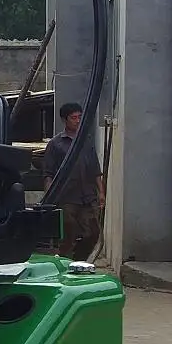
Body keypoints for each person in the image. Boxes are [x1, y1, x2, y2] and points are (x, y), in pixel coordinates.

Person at [42, 102, 104, 259]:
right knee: (68, 234)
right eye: (73, 118)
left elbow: (95, 169)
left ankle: (79, 260)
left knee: (92, 233)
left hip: (88, 196)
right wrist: (50, 196)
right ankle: (65, 263)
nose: (77, 121)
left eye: (79, 117)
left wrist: (101, 192)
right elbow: (48, 173)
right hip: (66, 197)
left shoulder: (86, 140)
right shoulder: (56, 144)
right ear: (65, 120)